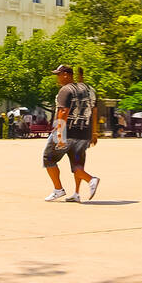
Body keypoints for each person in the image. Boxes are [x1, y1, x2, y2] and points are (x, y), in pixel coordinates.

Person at [41, 65, 101, 203]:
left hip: (67, 132)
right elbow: (95, 112)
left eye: (59, 75)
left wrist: (60, 135)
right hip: (84, 132)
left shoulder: (65, 90)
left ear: (66, 75)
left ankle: (61, 189)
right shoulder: (90, 90)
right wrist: (94, 132)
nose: (57, 78)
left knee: (49, 159)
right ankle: (76, 193)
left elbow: (63, 112)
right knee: (77, 164)